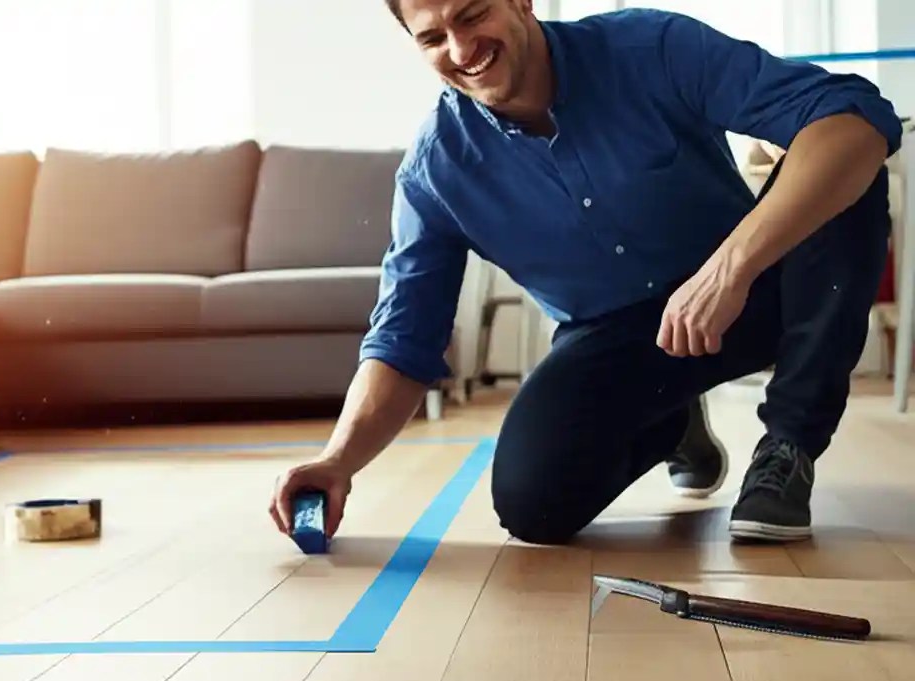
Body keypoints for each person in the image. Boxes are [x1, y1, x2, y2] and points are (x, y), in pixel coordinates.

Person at [268, 0, 903, 545]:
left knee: (847, 167)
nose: (461, 49)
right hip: (620, 341)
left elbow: (852, 116)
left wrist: (731, 267)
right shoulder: (435, 172)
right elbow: (402, 341)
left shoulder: (652, 47)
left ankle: (788, 447)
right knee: (533, 505)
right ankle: (670, 420)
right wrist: (337, 460)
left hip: (753, 292)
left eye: (472, 14)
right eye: (432, 38)